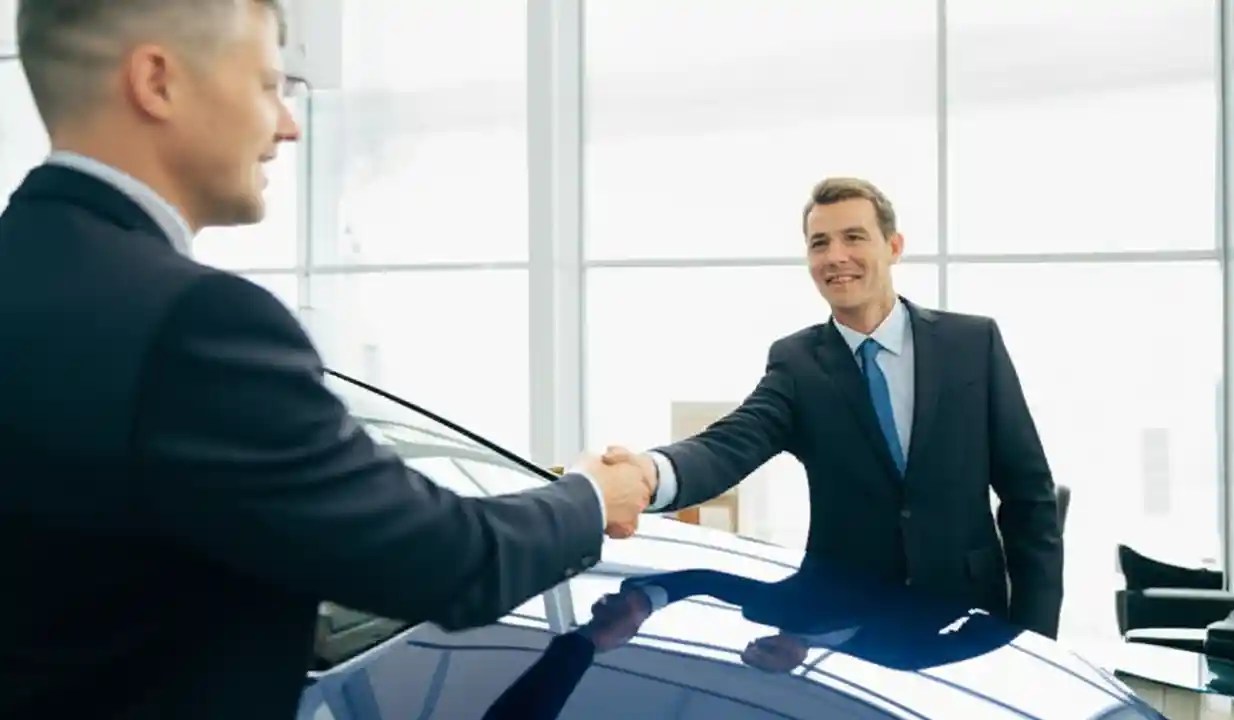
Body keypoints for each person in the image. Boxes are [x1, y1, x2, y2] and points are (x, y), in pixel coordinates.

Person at [0, 1, 651, 717]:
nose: (288, 124)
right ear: (158, 81)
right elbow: (446, 561)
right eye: (266, 85)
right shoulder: (195, 322)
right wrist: (593, 497)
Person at [603, 177, 1064, 639]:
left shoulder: (971, 344)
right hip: (843, 635)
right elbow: (730, 443)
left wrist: (1037, 639)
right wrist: (649, 474)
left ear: (894, 246)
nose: (835, 256)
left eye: (854, 237)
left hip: (967, 622)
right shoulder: (798, 363)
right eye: (819, 243)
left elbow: (1030, 499)